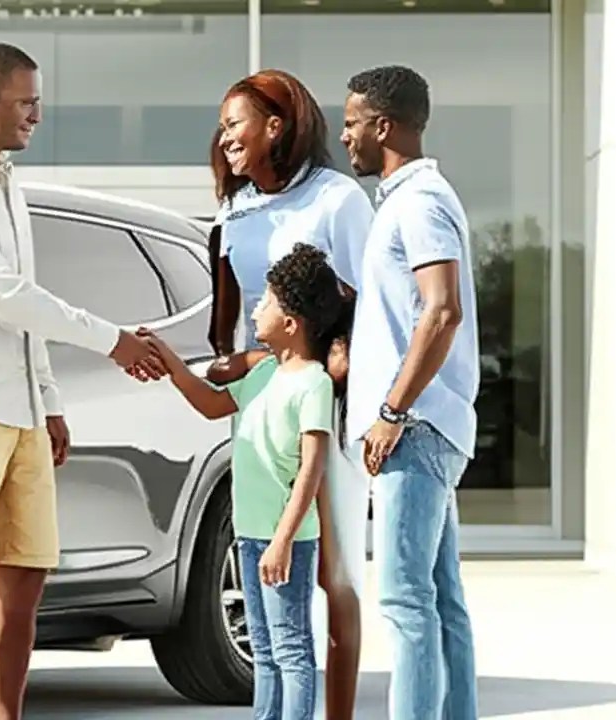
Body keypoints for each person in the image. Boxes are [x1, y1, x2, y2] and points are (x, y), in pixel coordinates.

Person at [0, 42, 165, 720]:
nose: (36, 116)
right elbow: (1, 294)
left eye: (37, 102)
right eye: (25, 102)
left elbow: (25, 303)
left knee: (25, 577)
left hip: (19, 410)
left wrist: (47, 400)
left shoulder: (5, 182)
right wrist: (111, 340)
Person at [207, 68, 374, 719]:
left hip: (323, 404)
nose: (223, 139)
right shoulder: (235, 208)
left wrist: (333, 367)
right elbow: (227, 323)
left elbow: (367, 306)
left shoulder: (337, 200)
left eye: (233, 124)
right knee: (275, 572)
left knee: (335, 577)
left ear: (275, 126)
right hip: (260, 409)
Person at [141, 243, 345, 720]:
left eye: (267, 301)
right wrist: (170, 361)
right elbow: (210, 403)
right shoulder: (265, 374)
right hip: (250, 537)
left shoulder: (313, 384)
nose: (256, 308)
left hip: (285, 541)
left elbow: (311, 472)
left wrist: (283, 541)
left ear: (291, 323)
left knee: (292, 649)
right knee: (266, 651)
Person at [340, 65, 480, 720]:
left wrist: (391, 410)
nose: (345, 138)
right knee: (440, 600)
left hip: (414, 429)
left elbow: (441, 310)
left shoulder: (418, 202)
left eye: (351, 123)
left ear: (384, 125)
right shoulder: (408, 199)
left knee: (404, 602)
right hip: (423, 426)